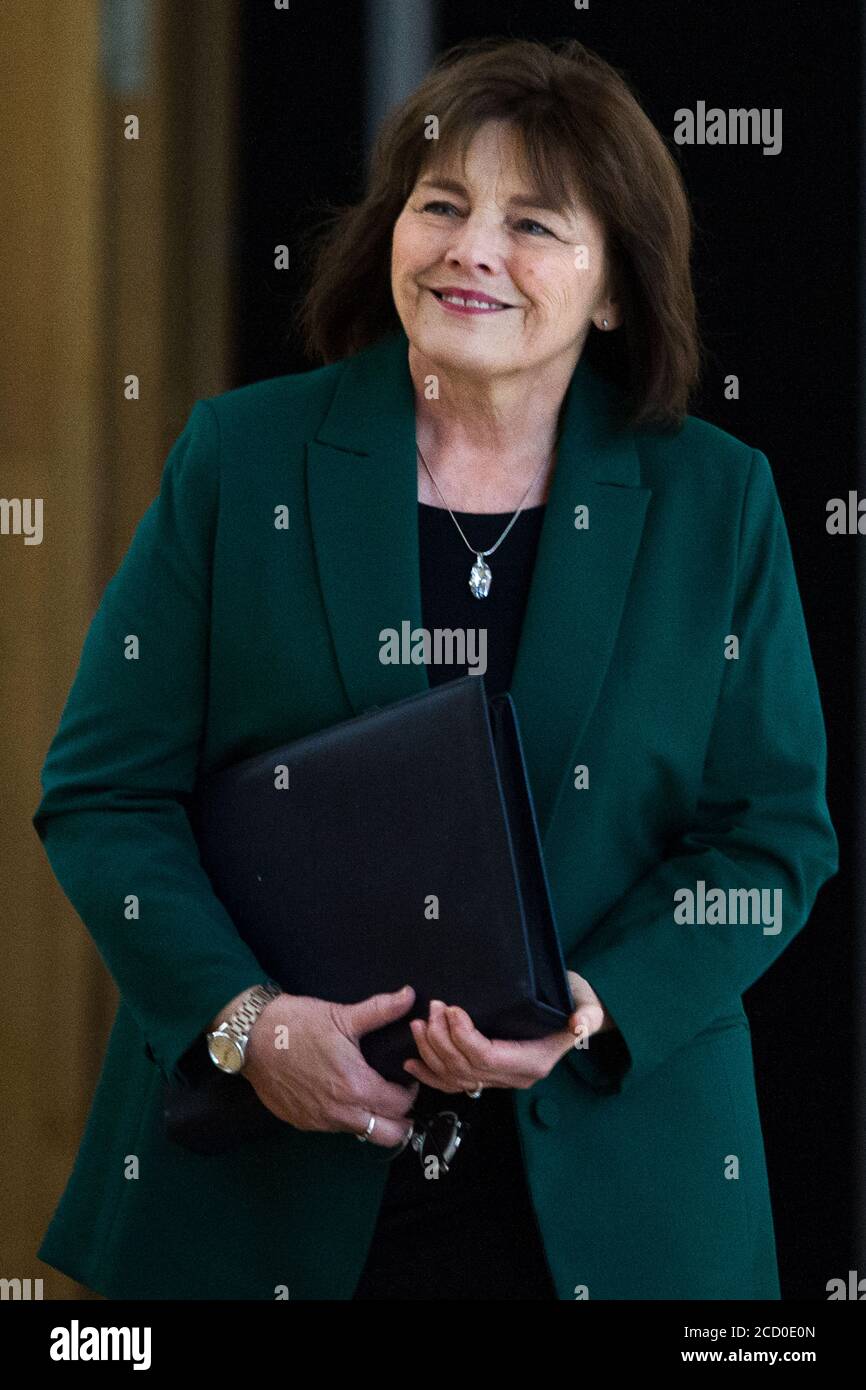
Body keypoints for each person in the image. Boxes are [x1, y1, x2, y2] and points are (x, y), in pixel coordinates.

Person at [33, 36, 837, 1301]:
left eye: (531, 223)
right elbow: (102, 792)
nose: (470, 248)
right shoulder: (240, 459)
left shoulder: (714, 499)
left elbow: (771, 834)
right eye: (440, 205)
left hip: (617, 1208)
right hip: (264, 1194)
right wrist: (246, 1025)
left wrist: (586, 1005)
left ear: (615, 286)